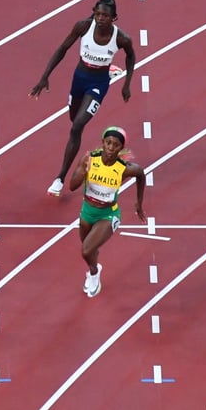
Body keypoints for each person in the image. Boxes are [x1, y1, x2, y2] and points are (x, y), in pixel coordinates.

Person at [29, 0, 137, 197]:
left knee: (77, 125)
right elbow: (62, 49)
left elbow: (131, 56)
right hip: (79, 78)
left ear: (114, 17)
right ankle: (109, 66)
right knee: (73, 118)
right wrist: (44, 77)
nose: (101, 18)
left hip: (98, 84)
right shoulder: (83, 27)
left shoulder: (121, 38)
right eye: (98, 14)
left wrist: (127, 84)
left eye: (105, 15)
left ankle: (59, 178)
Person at [67, 126, 146, 298]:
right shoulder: (90, 160)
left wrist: (138, 203)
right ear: (102, 142)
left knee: (86, 250)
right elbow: (72, 186)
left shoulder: (123, 168)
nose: (111, 148)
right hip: (87, 211)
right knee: (90, 250)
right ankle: (94, 268)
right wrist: (82, 172)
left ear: (121, 148)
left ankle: (94, 275)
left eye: (115, 145)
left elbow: (140, 174)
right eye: (108, 143)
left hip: (108, 214)